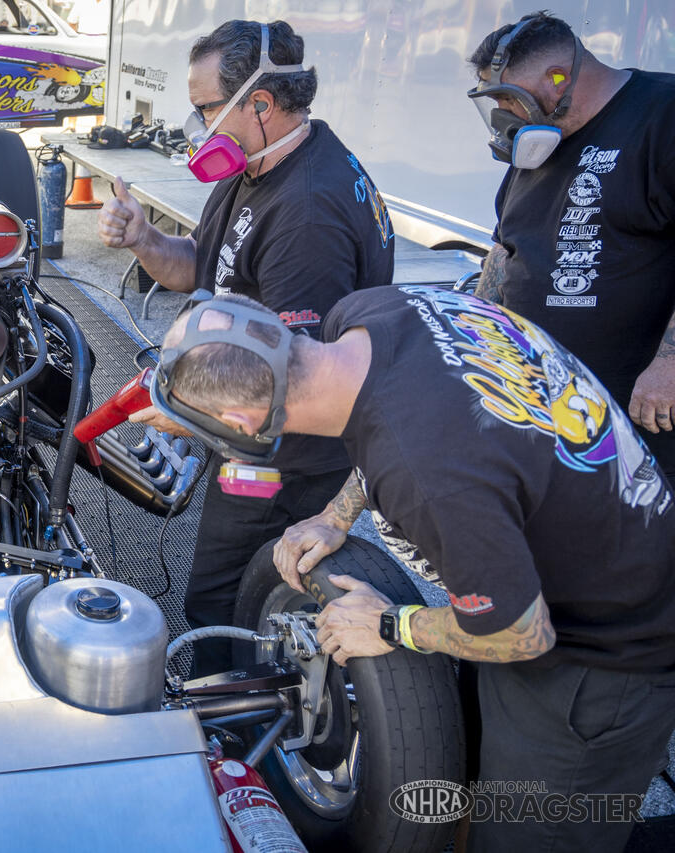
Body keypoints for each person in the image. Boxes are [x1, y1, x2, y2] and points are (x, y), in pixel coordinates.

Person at [155, 287, 675, 852]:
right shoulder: (372, 314)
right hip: (552, 562)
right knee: (476, 780)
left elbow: (520, 634)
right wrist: (336, 514)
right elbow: (397, 417)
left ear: (239, 422)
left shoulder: (429, 478)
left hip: (604, 653)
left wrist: (390, 624)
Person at [97, 19, 394, 676]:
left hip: (286, 457)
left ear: (260, 102)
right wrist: (144, 238)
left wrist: (179, 411)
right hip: (259, 436)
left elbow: (287, 383)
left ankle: (235, 725)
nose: (198, 126)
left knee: (221, 605)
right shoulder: (259, 164)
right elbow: (205, 268)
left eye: (207, 108)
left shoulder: (308, 213)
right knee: (236, 597)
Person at [467, 11, 675, 478]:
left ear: (558, 78)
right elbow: (504, 251)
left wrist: (670, 365)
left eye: (508, 98)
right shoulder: (539, 141)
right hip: (543, 408)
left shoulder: (663, 114)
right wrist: (476, 344)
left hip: (635, 418)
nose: (504, 114)